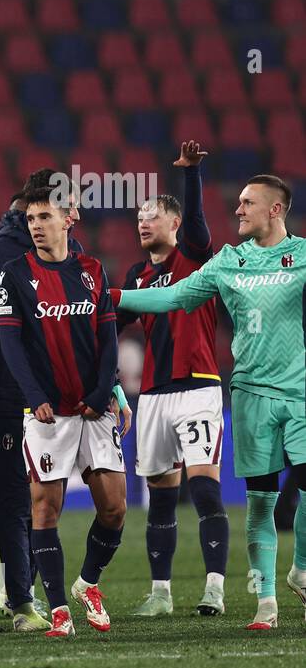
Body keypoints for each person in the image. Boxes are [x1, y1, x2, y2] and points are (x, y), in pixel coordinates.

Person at [113, 174, 306, 631]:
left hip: (299, 392)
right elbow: (174, 295)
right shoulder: (227, 262)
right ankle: (266, 606)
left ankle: (300, 566)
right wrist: (113, 296)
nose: (237, 210)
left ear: (275, 210)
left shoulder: (302, 255)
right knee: (260, 503)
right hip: (250, 394)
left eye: (247, 203)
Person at [0, 186, 126, 638]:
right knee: (45, 509)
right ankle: (59, 612)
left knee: (114, 508)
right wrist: (34, 394)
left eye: (44, 216)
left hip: (93, 409)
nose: (35, 224)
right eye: (30, 218)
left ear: (68, 219)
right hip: (47, 413)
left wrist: (103, 389)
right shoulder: (13, 274)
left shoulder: (92, 271)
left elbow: (108, 339)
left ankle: (87, 583)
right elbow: (10, 344)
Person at [117, 143, 229, 617]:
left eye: (153, 215)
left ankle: (215, 589)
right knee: (159, 501)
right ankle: (161, 593)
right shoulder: (136, 276)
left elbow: (202, 228)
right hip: (153, 396)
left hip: (199, 387)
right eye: (140, 216)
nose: (144, 222)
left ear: (175, 224)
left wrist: (191, 175)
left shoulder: (195, 258)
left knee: (203, 488)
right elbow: (107, 330)